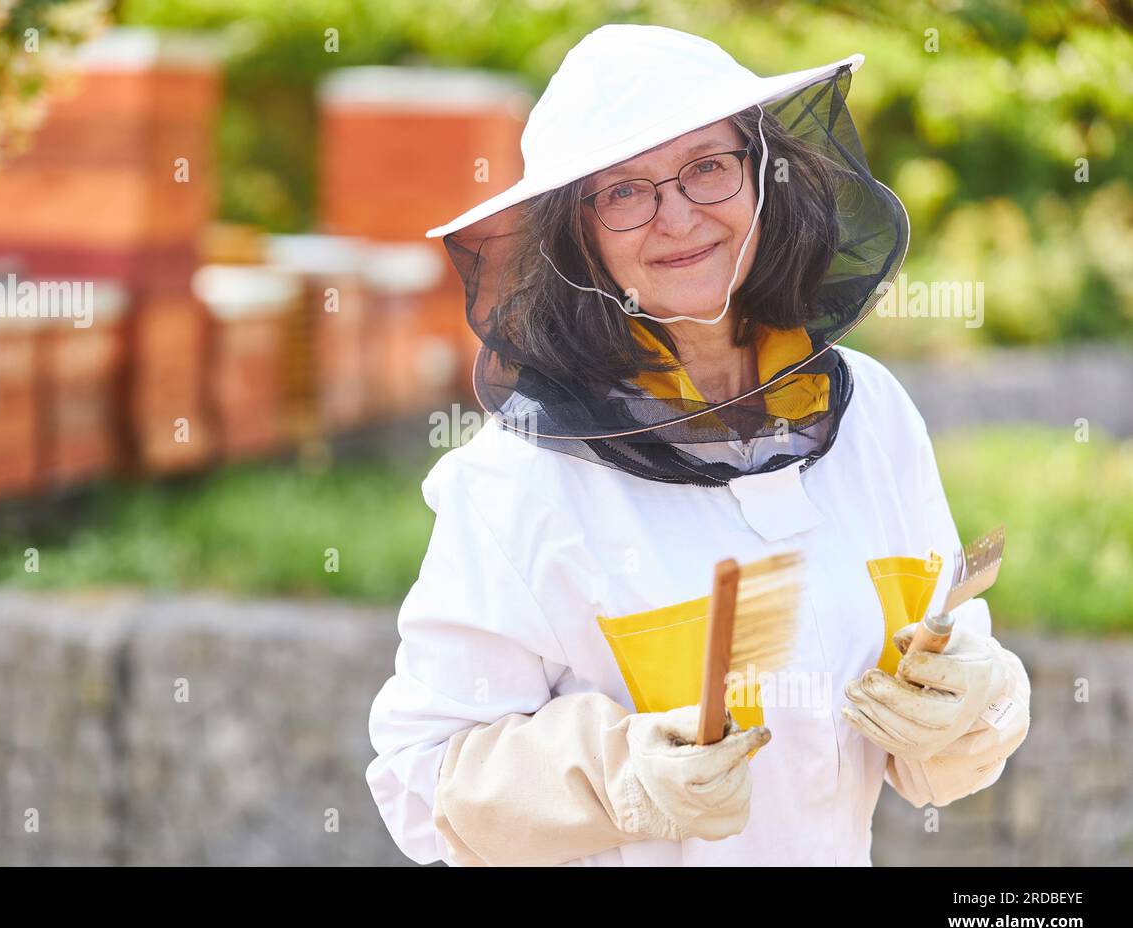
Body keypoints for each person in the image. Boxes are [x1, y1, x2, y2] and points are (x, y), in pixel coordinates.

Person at [366, 23, 1031, 866]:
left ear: (762, 177)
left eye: (707, 167)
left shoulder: (874, 416)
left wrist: (979, 694)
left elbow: (935, 711)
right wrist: (617, 776)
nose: (677, 216)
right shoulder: (515, 481)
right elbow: (418, 783)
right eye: (624, 191)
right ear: (581, 238)